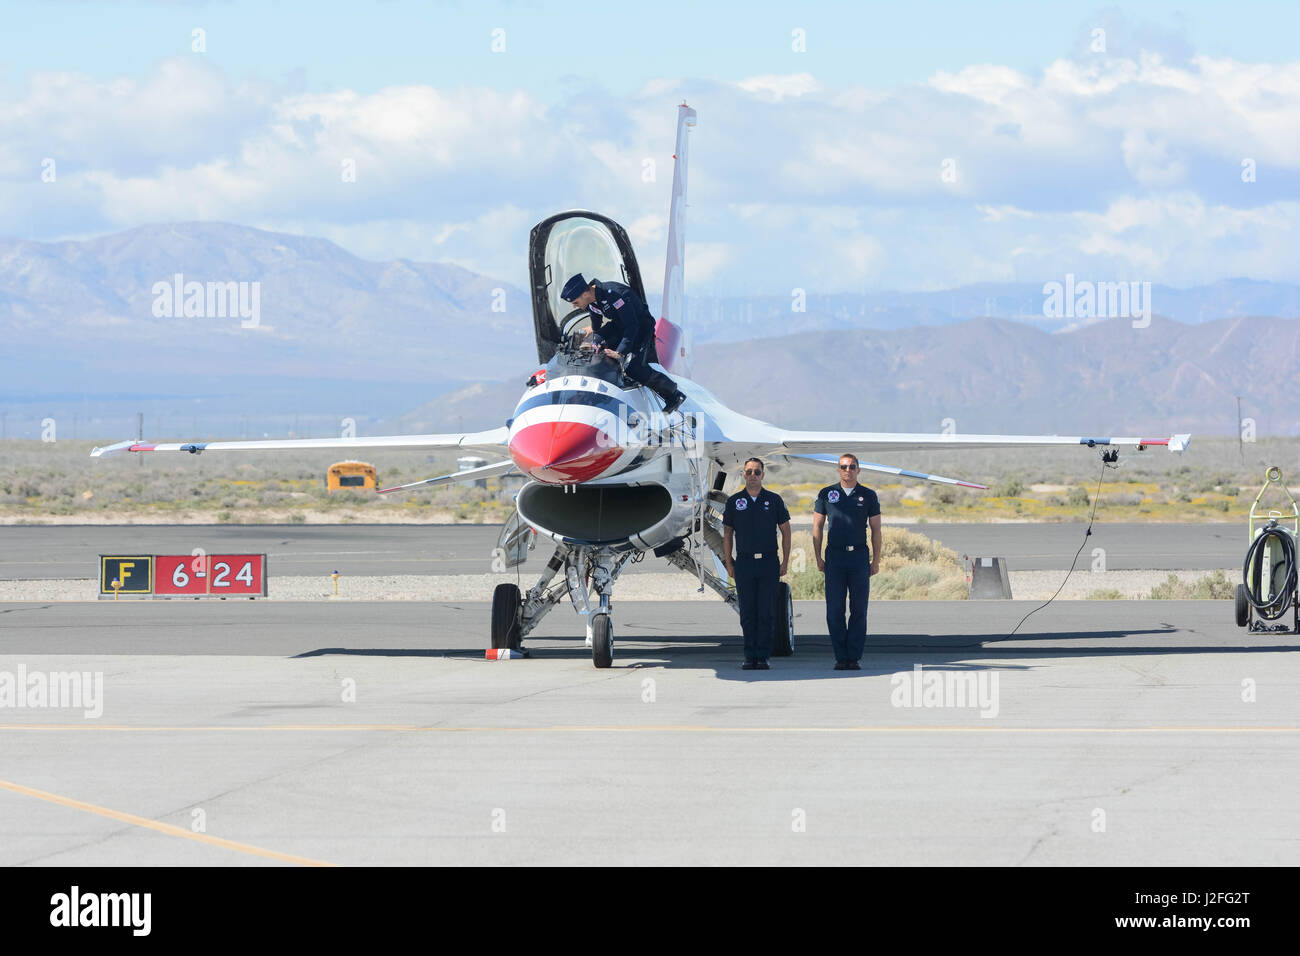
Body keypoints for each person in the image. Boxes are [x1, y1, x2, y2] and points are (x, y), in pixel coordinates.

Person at [560, 273, 686, 414]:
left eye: (575, 302)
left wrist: (620, 352)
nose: (574, 307)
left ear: (585, 294)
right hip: (620, 325)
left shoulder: (614, 294)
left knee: (632, 367)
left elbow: (632, 325)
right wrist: (594, 338)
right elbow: (596, 322)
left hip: (640, 328)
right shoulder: (592, 301)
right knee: (597, 343)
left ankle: (673, 394)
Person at [812, 453, 882, 670]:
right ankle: (840, 657)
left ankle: (854, 657)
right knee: (835, 610)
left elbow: (876, 530)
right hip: (835, 557)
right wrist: (818, 557)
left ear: (858, 470)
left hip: (859, 557)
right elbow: (817, 527)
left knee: (859, 609)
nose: (848, 470)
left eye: (852, 467)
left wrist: (876, 560)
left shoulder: (868, 495)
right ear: (838, 470)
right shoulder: (827, 494)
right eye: (844, 467)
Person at [722, 457, 791, 670]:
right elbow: (727, 534)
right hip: (744, 563)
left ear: (763, 474)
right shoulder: (734, 501)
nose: (753, 476)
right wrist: (729, 562)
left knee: (767, 612)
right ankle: (749, 656)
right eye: (749, 472)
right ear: (743, 474)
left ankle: (763, 656)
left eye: (757, 472)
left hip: (769, 562)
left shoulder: (774, 500)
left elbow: (786, 531)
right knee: (748, 613)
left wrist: (785, 561)